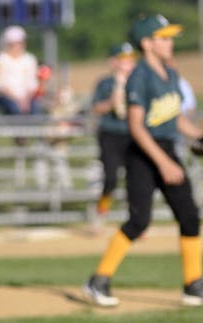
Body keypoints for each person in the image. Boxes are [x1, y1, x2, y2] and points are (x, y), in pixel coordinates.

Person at [83, 14, 203, 308]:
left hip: (166, 149)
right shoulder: (140, 76)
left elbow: (173, 118)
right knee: (139, 220)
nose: (170, 42)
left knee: (189, 216)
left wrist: (198, 135)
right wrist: (163, 163)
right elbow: (136, 127)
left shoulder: (169, 74)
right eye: (163, 38)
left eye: (170, 37)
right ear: (147, 44)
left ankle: (193, 284)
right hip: (143, 154)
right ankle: (98, 280)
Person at [91, 42, 137, 217]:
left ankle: (136, 217)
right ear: (114, 62)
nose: (128, 63)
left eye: (130, 59)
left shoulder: (138, 81)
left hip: (133, 133)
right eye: (123, 60)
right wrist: (116, 95)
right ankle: (102, 207)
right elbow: (97, 107)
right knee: (110, 176)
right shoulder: (105, 83)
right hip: (110, 134)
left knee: (135, 179)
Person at [0, 25, 39, 116]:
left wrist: (26, 100)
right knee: (15, 109)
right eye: (13, 44)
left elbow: (32, 83)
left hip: (26, 98)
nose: (17, 47)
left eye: (19, 43)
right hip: (6, 97)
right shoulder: (0, 59)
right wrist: (17, 99)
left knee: (34, 109)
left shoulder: (29, 59)